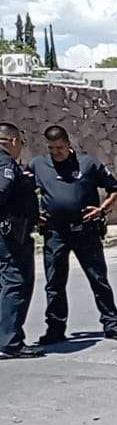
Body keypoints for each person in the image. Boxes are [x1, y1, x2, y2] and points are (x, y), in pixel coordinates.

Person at [29, 124, 117, 344]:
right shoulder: (38, 164)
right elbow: (25, 191)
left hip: (85, 230)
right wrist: (33, 214)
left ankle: (112, 324)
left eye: (59, 148)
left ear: (68, 144)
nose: (55, 152)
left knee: (98, 279)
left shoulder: (88, 163)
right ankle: (55, 328)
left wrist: (101, 209)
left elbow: (114, 188)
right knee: (54, 283)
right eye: (51, 148)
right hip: (55, 232)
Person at [0, 122, 43, 358]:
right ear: (14, 141)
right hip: (10, 236)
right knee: (15, 282)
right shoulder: (5, 163)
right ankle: (10, 342)